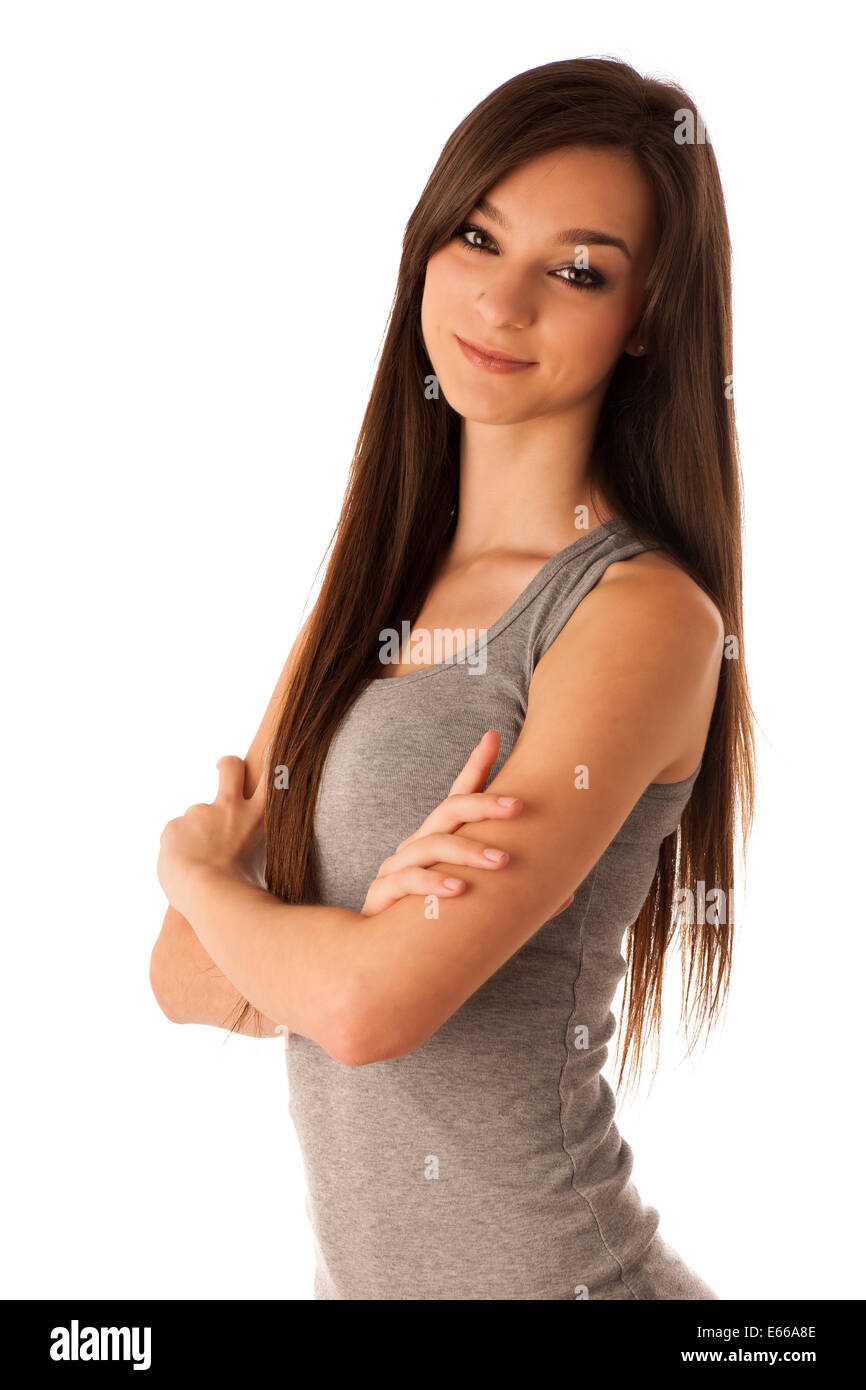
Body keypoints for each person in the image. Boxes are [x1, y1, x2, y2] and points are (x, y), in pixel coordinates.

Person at [150, 56, 755, 1300]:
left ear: (643, 318)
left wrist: (201, 876)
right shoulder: (370, 588)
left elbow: (368, 1016)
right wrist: (344, 940)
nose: (501, 298)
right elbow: (191, 979)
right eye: (477, 235)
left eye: (576, 269)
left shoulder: (637, 616)